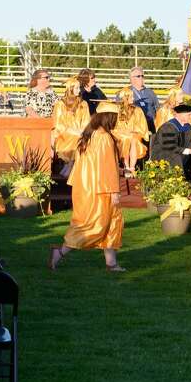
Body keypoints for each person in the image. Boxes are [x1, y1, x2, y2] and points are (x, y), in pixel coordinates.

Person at [49, 101, 124, 271]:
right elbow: (108, 167)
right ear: (109, 118)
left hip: (85, 187)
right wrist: (114, 191)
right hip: (99, 188)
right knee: (92, 225)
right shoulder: (104, 138)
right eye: (115, 118)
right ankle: (59, 252)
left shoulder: (89, 135)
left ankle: (111, 263)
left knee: (111, 222)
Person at [149, 102, 191, 185]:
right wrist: (190, 151)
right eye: (189, 115)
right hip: (164, 154)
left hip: (180, 152)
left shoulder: (187, 126)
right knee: (176, 157)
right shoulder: (168, 127)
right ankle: (178, 186)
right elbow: (170, 147)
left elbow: (189, 143)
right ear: (179, 115)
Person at [113, 87, 149, 176]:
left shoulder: (138, 110)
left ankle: (132, 167)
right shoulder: (118, 110)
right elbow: (117, 126)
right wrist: (125, 132)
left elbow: (142, 125)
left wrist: (134, 131)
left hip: (135, 133)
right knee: (126, 139)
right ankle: (126, 166)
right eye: (131, 97)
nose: (133, 99)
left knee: (133, 139)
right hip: (121, 134)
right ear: (126, 98)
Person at [128, 66, 161, 131]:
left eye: (142, 76)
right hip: (135, 128)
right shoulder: (126, 92)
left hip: (151, 126)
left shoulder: (150, 92)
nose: (141, 78)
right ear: (131, 78)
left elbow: (158, 110)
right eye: (138, 76)